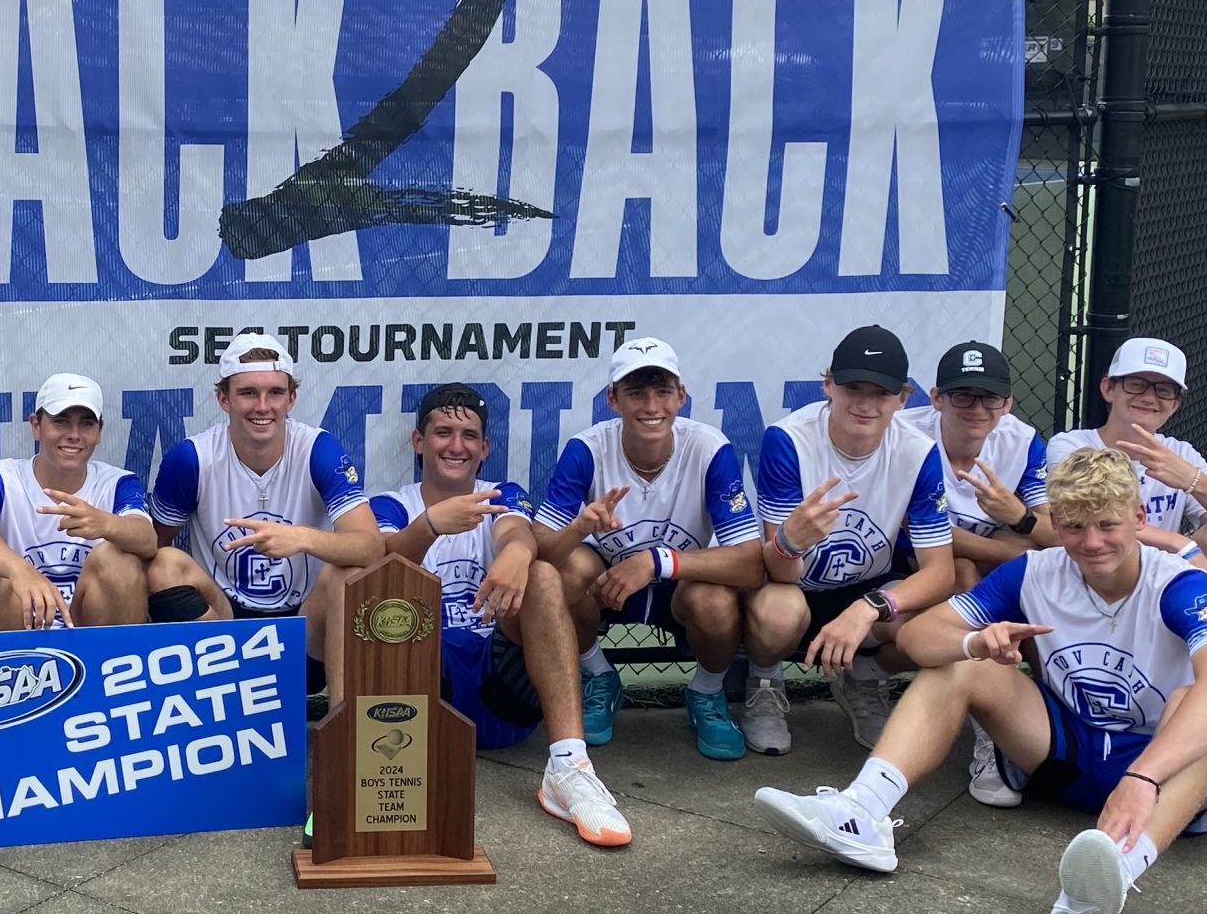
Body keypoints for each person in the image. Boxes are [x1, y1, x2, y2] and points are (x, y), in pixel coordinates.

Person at [752, 446, 1207, 914]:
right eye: (1075, 527)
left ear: (1140, 518)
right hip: (1070, 754)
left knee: (1201, 704)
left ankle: (1108, 881)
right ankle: (862, 810)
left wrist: (1143, 778)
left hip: (1168, 779)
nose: (1092, 542)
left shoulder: (1180, 585)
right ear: (1057, 524)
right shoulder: (1035, 570)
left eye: (1108, 525)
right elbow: (918, 638)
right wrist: (975, 642)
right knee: (960, 662)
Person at [373, 383, 632, 847]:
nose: (457, 446)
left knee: (544, 576)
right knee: (384, 596)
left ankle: (569, 768)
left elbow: (515, 532)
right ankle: (384, 774)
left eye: (469, 435)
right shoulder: (392, 504)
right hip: (425, 695)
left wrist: (518, 551)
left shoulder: (501, 495)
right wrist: (430, 526)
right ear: (418, 441)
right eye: (443, 432)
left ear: (485, 447)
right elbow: (383, 567)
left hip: (502, 688)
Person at [531, 336, 762, 758]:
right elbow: (541, 554)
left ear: (681, 396)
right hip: (609, 584)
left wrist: (657, 561)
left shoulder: (708, 448)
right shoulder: (587, 449)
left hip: (683, 585)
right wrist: (579, 527)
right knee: (564, 571)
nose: (652, 406)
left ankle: (706, 692)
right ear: (613, 399)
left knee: (715, 599)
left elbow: (750, 563)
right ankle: (599, 676)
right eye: (636, 392)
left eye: (663, 391)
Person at [745, 325, 953, 753]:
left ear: (902, 399)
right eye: (852, 387)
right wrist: (790, 541)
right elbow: (777, 569)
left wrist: (869, 607)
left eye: (881, 392)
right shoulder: (789, 439)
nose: (864, 403)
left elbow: (941, 573)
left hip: (869, 587)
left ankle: (865, 678)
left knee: (933, 624)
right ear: (828, 385)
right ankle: (764, 683)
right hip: (794, 586)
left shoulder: (918, 452)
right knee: (777, 612)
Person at [148, 334, 378, 701]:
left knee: (347, 571)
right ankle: (209, 695)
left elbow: (371, 547)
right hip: (223, 627)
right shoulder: (193, 458)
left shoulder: (317, 449)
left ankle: (342, 722)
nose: (262, 406)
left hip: (304, 630)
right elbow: (151, 546)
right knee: (162, 565)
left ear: (291, 399)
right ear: (224, 399)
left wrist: (302, 538)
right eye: (248, 393)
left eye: (275, 393)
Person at [894, 340, 1052, 804]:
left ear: (1008, 403)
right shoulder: (906, 435)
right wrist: (1012, 549)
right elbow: (917, 531)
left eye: (990, 397)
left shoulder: (1023, 441)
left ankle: (1047, 713)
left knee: (1037, 574)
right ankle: (990, 739)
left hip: (985, 560)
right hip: (907, 561)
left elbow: (1056, 534)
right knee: (965, 569)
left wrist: (1018, 516)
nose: (977, 408)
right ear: (936, 398)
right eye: (963, 395)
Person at [0, 372, 211, 630]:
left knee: (118, 560)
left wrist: (105, 524)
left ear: (99, 431)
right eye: (61, 421)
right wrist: (19, 569)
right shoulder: (0, 476)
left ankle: (112, 659)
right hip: (19, 625)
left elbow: (148, 539)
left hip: (88, 628)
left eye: (86, 423)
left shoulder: (117, 482)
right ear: (36, 426)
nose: (74, 434)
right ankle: (13, 662)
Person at [1049, 336, 1207, 604]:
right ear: (1109, 389)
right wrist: (1180, 543)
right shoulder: (1072, 445)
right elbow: (1087, 523)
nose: (1149, 398)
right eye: (1136, 384)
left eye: (1164, 390)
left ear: (1175, 404)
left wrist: (1192, 480)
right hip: (1093, 571)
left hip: (1159, 577)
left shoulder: (1181, 453)